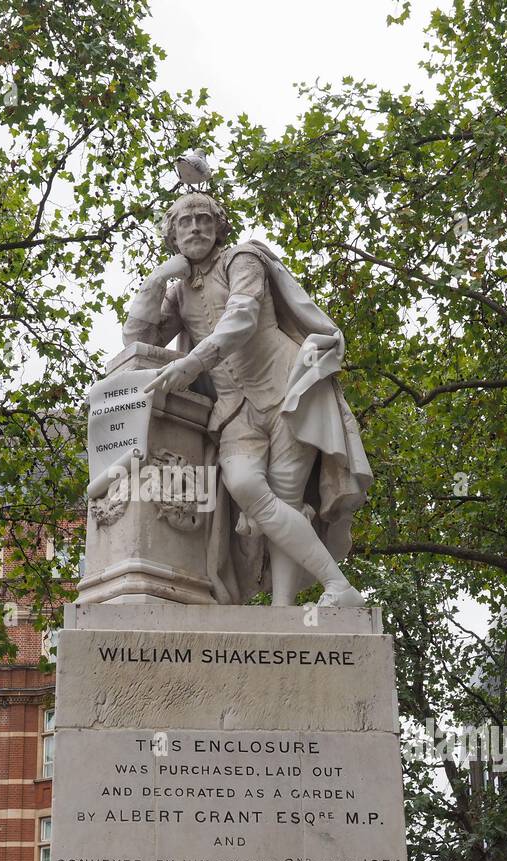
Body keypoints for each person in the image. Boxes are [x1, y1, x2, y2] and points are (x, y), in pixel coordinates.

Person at [126, 191, 372, 606]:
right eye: (184, 223)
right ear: (172, 236)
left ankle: (286, 610)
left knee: (286, 495)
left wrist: (194, 363)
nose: (196, 229)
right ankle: (340, 586)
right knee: (244, 484)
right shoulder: (180, 289)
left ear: (220, 227)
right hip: (234, 407)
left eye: (204, 219)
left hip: (287, 389)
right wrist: (155, 281)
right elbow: (137, 341)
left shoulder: (242, 259)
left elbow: (242, 315)